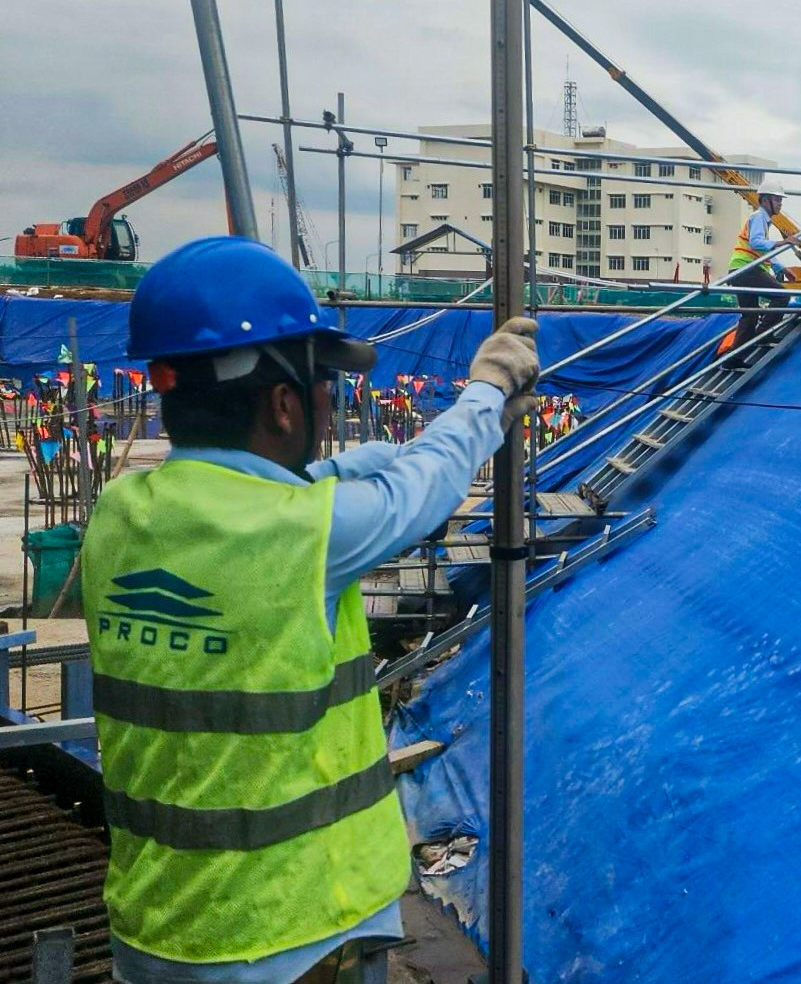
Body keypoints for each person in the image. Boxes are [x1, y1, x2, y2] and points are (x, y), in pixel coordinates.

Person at [80, 236, 540, 984]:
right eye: (323, 386)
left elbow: (298, 494)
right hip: (283, 932)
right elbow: (412, 498)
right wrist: (484, 397)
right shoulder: (303, 533)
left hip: (160, 919)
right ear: (285, 401)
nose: (331, 403)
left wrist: (380, 456)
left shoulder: (126, 510)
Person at [727, 179, 799, 353]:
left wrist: (780, 268)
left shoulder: (763, 221)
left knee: (750, 315)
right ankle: (764, 333)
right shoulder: (758, 217)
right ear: (766, 200)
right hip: (746, 268)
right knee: (782, 295)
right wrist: (782, 242)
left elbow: (763, 252)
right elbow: (756, 242)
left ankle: (733, 358)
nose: (780, 204)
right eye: (777, 200)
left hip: (740, 269)